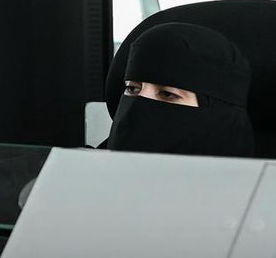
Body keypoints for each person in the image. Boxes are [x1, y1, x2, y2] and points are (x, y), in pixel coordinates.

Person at [106, 22, 253, 157]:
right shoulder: (89, 167)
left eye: (168, 94)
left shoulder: (258, 183)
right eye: (132, 89)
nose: (138, 103)